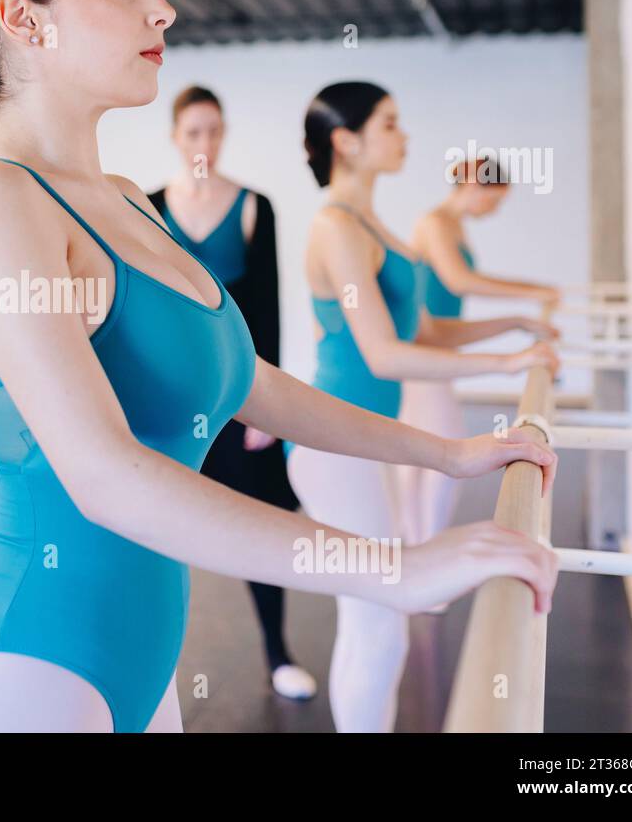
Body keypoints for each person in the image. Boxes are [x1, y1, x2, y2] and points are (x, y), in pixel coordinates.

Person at [0, 0, 558, 734]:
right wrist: (394, 569)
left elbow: (254, 385)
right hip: (19, 667)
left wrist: (451, 454)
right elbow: (102, 474)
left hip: (142, 661)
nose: (163, 9)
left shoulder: (131, 203)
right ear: (24, 19)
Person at [286, 81, 559, 731]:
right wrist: (502, 364)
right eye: (390, 124)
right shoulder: (335, 226)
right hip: (332, 439)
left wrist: (515, 331)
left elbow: (425, 329)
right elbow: (383, 353)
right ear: (346, 142)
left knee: (385, 623)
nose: (404, 136)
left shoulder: (375, 223)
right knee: (378, 622)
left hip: (367, 435)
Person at [148, 85, 314, 701]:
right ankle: (152, 665)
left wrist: (264, 406)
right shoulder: (146, 204)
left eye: (214, 131)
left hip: (237, 395)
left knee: (261, 526)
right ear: (175, 136)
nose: (205, 144)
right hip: (170, 397)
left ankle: (278, 651)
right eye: (193, 132)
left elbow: (265, 314)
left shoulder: (253, 207)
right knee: (157, 528)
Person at [401, 158, 562, 546]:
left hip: (440, 344)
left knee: (421, 449)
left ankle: (416, 544)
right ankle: (421, 546)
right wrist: (531, 292)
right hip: (425, 348)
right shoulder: (435, 223)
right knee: (440, 447)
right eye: (495, 200)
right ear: (475, 185)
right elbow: (461, 281)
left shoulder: (452, 225)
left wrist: (530, 293)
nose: (495, 209)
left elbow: (467, 280)